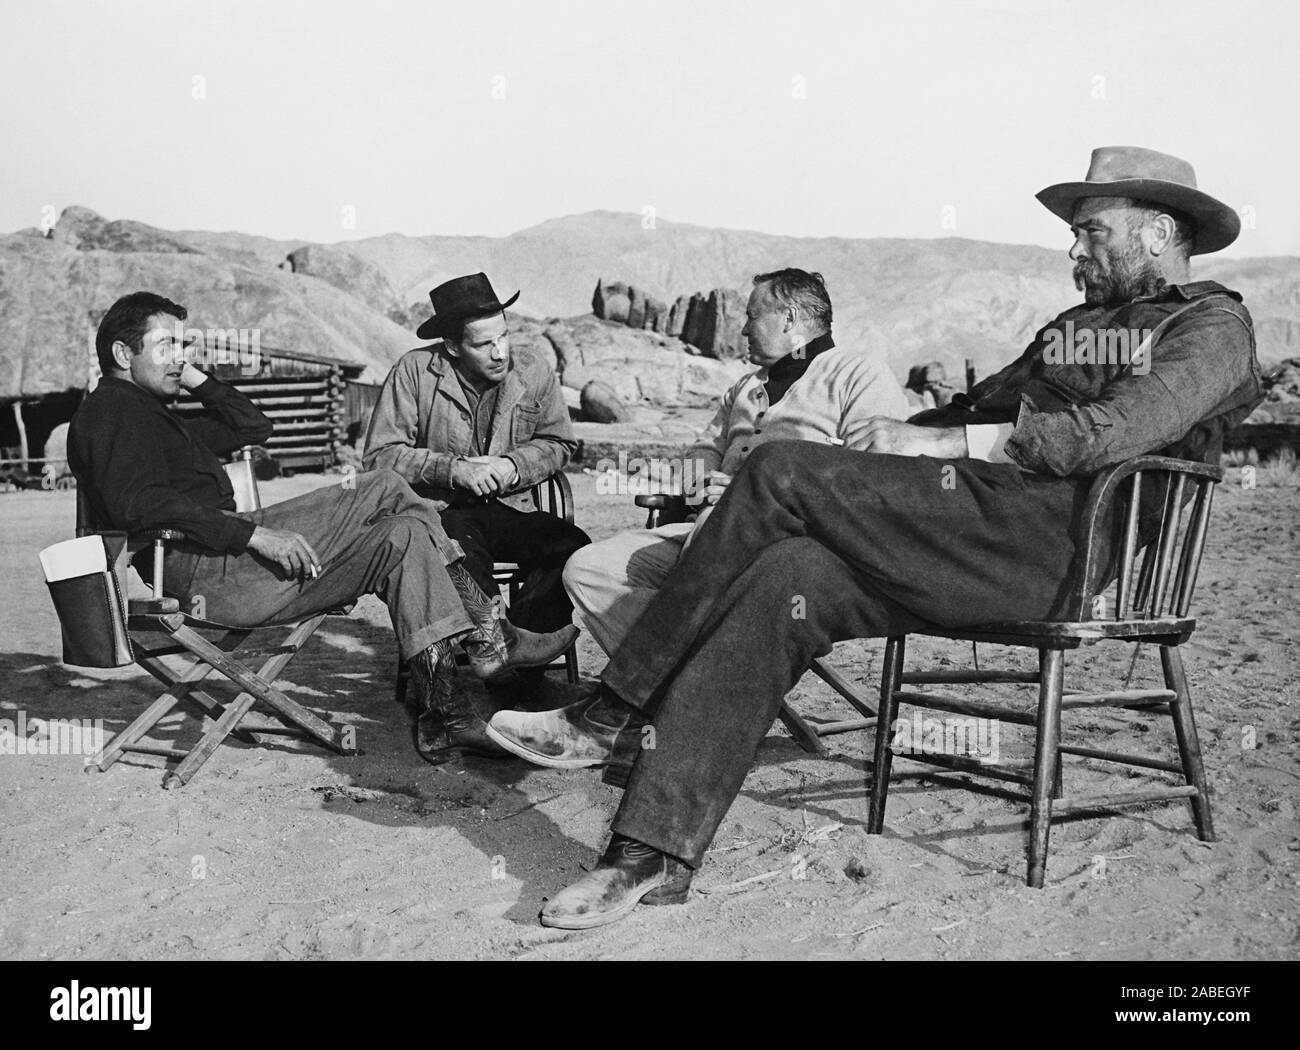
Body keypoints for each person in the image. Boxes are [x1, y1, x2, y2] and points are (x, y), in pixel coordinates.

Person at [486, 146, 1264, 929]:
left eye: (1092, 232)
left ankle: (609, 711)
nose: (1073, 249)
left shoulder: (1212, 326)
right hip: (967, 536)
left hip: (1057, 553)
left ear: (1160, 230)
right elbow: (963, 412)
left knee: (779, 470)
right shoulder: (1075, 329)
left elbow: (1114, 431)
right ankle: (648, 851)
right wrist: (892, 442)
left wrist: (946, 448)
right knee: (788, 573)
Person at [68, 292, 576, 766]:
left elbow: (253, 427)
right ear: (121, 352)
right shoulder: (111, 411)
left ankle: (444, 715)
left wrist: (191, 374)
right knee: (379, 484)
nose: (179, 355)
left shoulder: (151, 412)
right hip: (210, 570)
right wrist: (254, 536)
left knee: (404, 536)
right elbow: (138, 504)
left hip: (227, 565)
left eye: (183, 344)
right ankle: (490, 638)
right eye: (166, 345)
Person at [564, 268, 908, 657]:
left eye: (752, 316)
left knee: (713, 528)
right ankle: (687, 679)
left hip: (800, 549)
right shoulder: (745, 387)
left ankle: (676, 683)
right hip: (708, 537)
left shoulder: (859, 374)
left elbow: (876, 484)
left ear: (790, 318)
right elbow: (704, 449)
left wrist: (755, 494)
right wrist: (698, 481)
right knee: (589, 569)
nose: (742, 330)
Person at [364, 272, 589, 646]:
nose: (500, 352)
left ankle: (528, 650)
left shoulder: (533, 369)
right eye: (484, 344)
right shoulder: (414, 372)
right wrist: (454, 471)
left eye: (503, 336)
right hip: (439, 511)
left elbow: (559, 441)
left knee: (570, 546)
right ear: (453, 347)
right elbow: (380, 457)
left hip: (512, 507)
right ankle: (494, 646)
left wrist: (513, 465)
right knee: (459, 552)